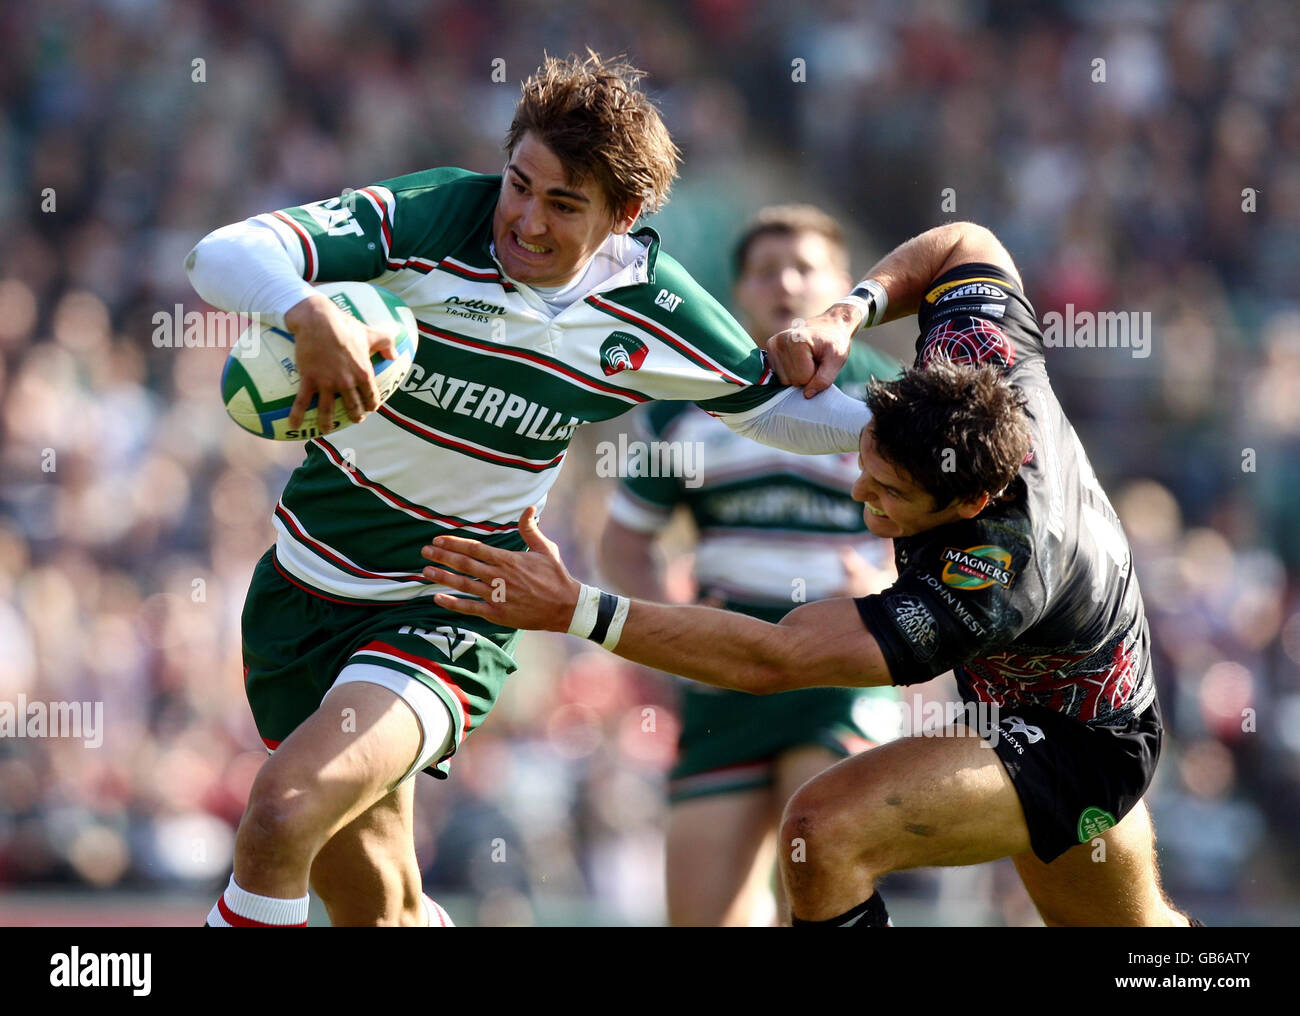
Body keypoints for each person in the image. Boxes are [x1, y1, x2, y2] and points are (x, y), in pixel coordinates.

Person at [184, 52, 873, 927]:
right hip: (303, 587)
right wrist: (306, 309)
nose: (527, 220)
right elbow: (222, 253)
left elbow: (777, 414)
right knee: (378, 907)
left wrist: (920, 434)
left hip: (451, 603)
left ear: (622, 218)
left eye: (563, 204)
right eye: (520, 184)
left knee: (280, 815)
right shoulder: (440, 215)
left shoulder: (652, 308)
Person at [420, 220, 1197, 927]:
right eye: (867, 470)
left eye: (891, 496)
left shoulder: (987, 575)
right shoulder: (973, 359)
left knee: (821, 832)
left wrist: (574, 612)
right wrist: (850, 310)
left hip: (1082, 741)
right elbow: (966, 243)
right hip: (1036, 694)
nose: (863, 496)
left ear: (971, 501)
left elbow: (774, 657)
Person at [598, 205, 901, 926]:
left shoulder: (895, 399)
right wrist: (670, 642)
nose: (785, 283)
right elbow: (624, 545)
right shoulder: (684, 404)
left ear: (842, 289)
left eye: (805, 268)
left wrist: (894, 593)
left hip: (840, 667)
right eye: (766, 271)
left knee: (817, 852)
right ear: (739, 293)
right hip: (723, 672)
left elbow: (939, 536)